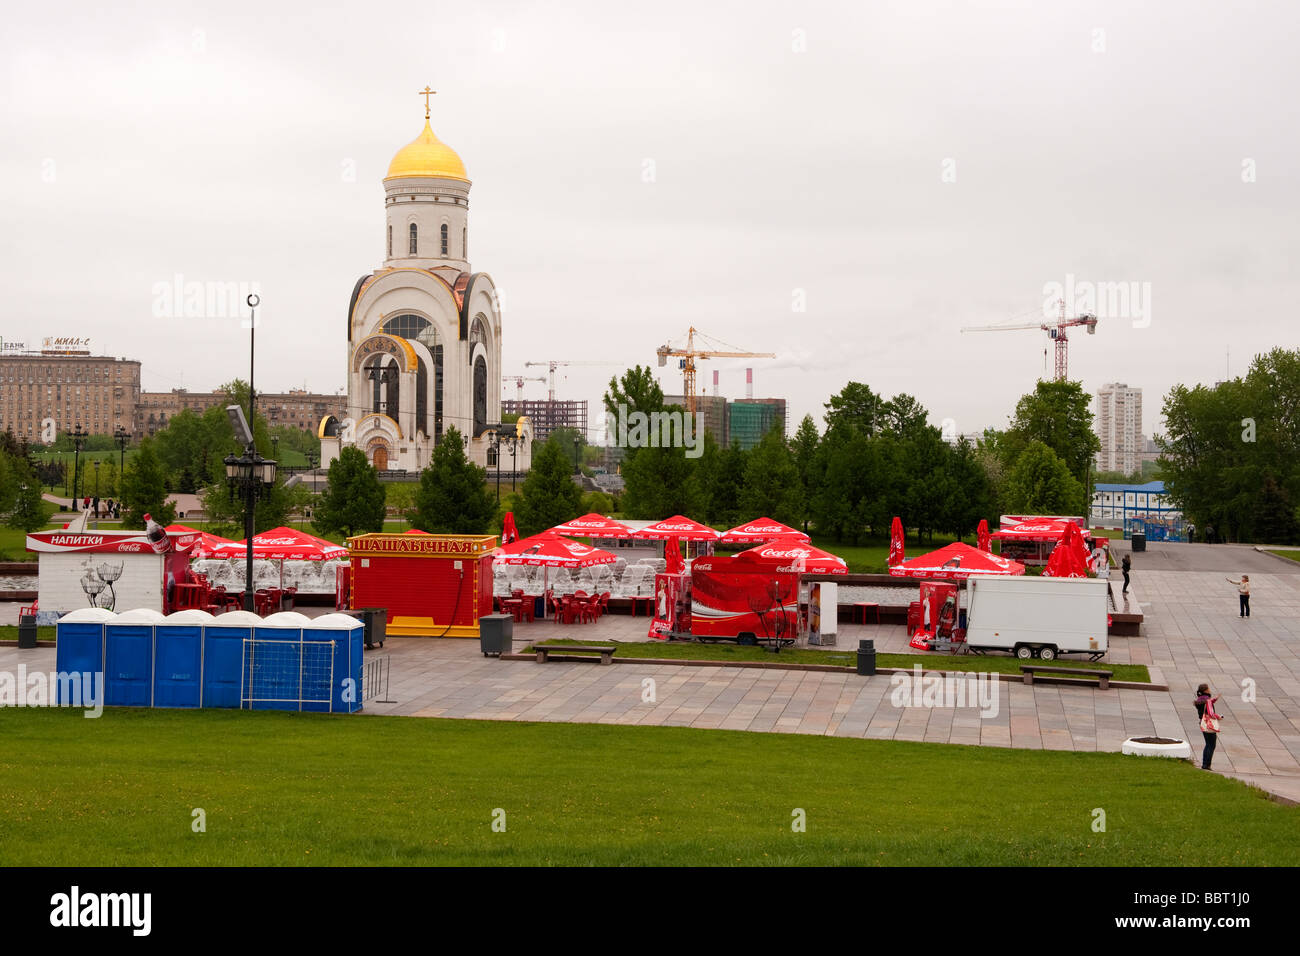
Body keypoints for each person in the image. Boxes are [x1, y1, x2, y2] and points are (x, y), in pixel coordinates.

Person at [1194, 684, 1223, 770]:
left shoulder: (1200, 699)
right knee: (1211, 745)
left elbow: (1206, 705)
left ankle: (1204, 764)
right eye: (1208, 688)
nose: (1210, 689)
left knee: (1207, 744)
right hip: (1209, 724)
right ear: (1206, 690)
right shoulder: (1208, 701)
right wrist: (1219, 717)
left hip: (1203, 723)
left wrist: (1215, 699)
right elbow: (1211, 713)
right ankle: (1207, 765)